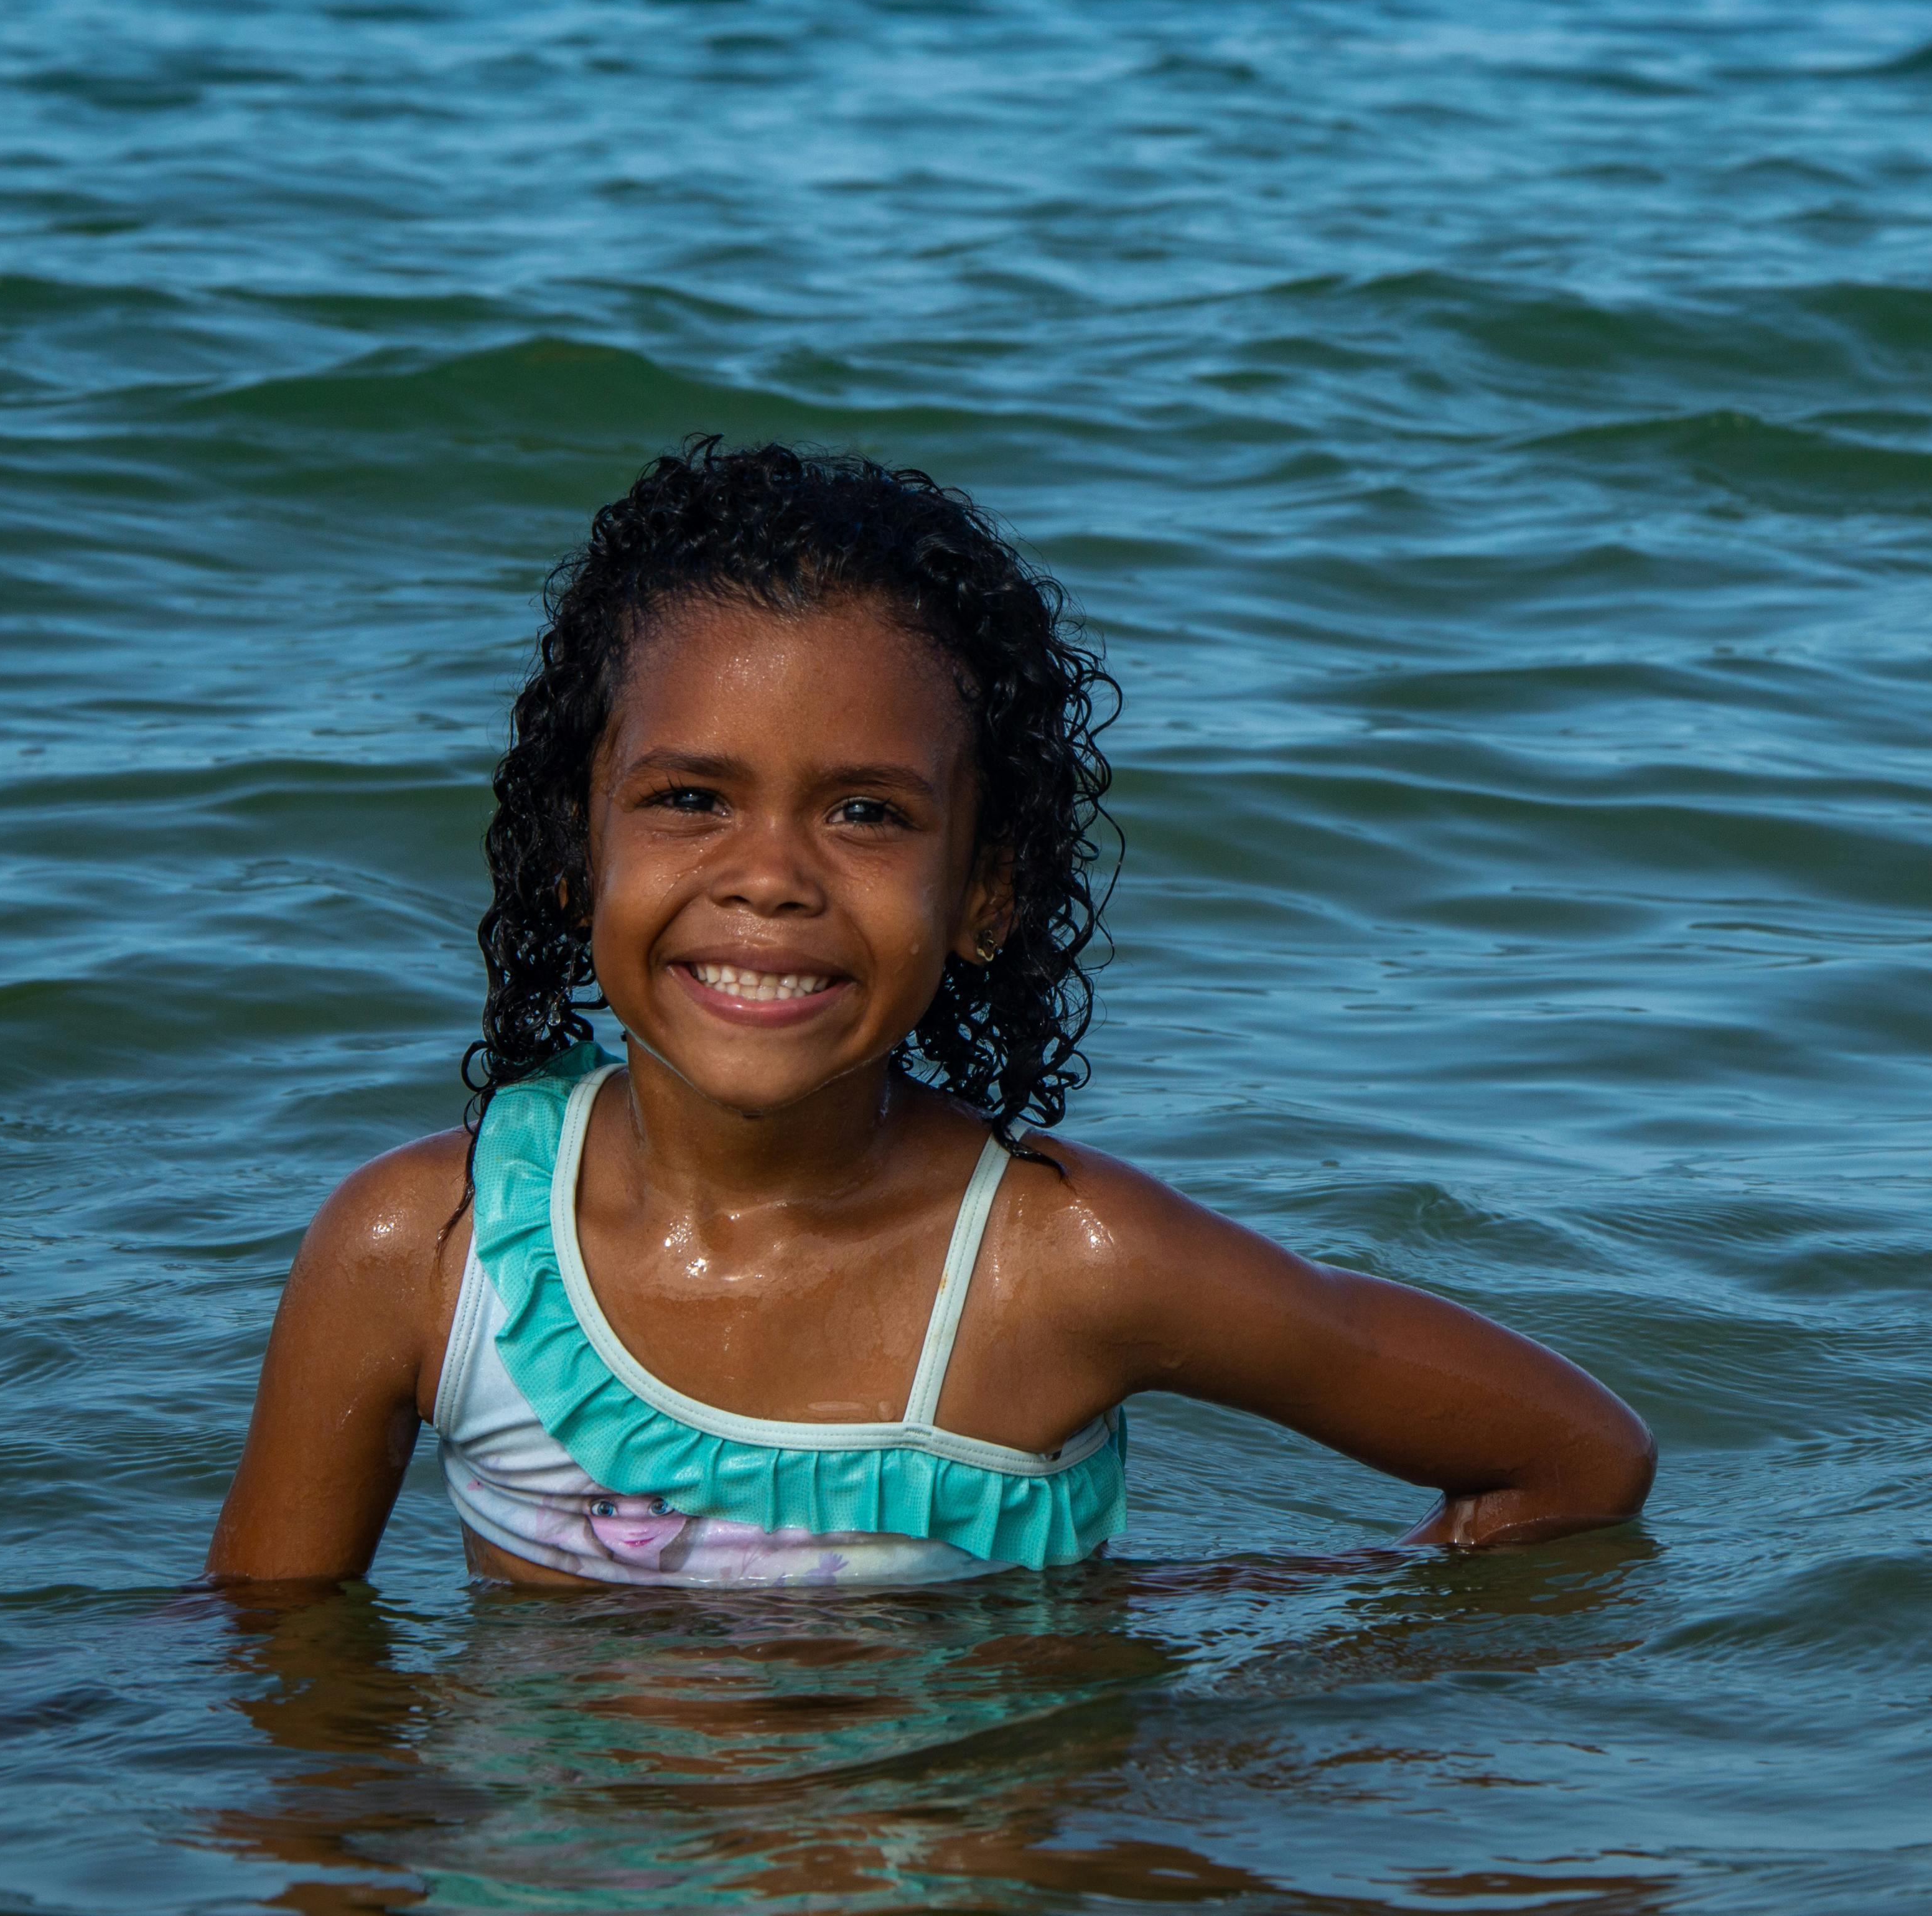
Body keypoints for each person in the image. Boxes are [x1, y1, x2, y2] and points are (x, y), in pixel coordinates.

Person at [207, 439, 1653, 1590]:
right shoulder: (423, 1254)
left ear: (981, 894)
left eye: (866, 812)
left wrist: (1235, 1715)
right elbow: (275, 1673)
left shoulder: (1068, 1264)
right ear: (578, 850)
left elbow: (1572, 1460)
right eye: (690, 797)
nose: (768, 876)